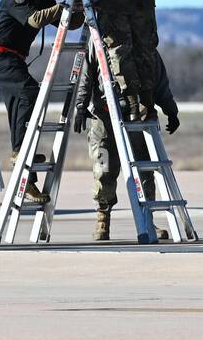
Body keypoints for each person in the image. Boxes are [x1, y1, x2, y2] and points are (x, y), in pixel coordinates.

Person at [0, 0, 83, 203]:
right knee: (30, 93)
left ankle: (24, 172)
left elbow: (68, 24)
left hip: (14, 60)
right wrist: (62, 6)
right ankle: (20, 152)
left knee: (19, 110)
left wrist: (79, 10)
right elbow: (36, 19)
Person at [76, 32, 180, 241]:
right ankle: (102, 219)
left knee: (144, 170)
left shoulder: (145, 48)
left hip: (138, 117)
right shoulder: (98, 45)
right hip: (104, 118)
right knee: (103, 167)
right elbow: (86, 75)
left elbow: (159, 80)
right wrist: (80, 105)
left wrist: (170, 110)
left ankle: (147, 219)